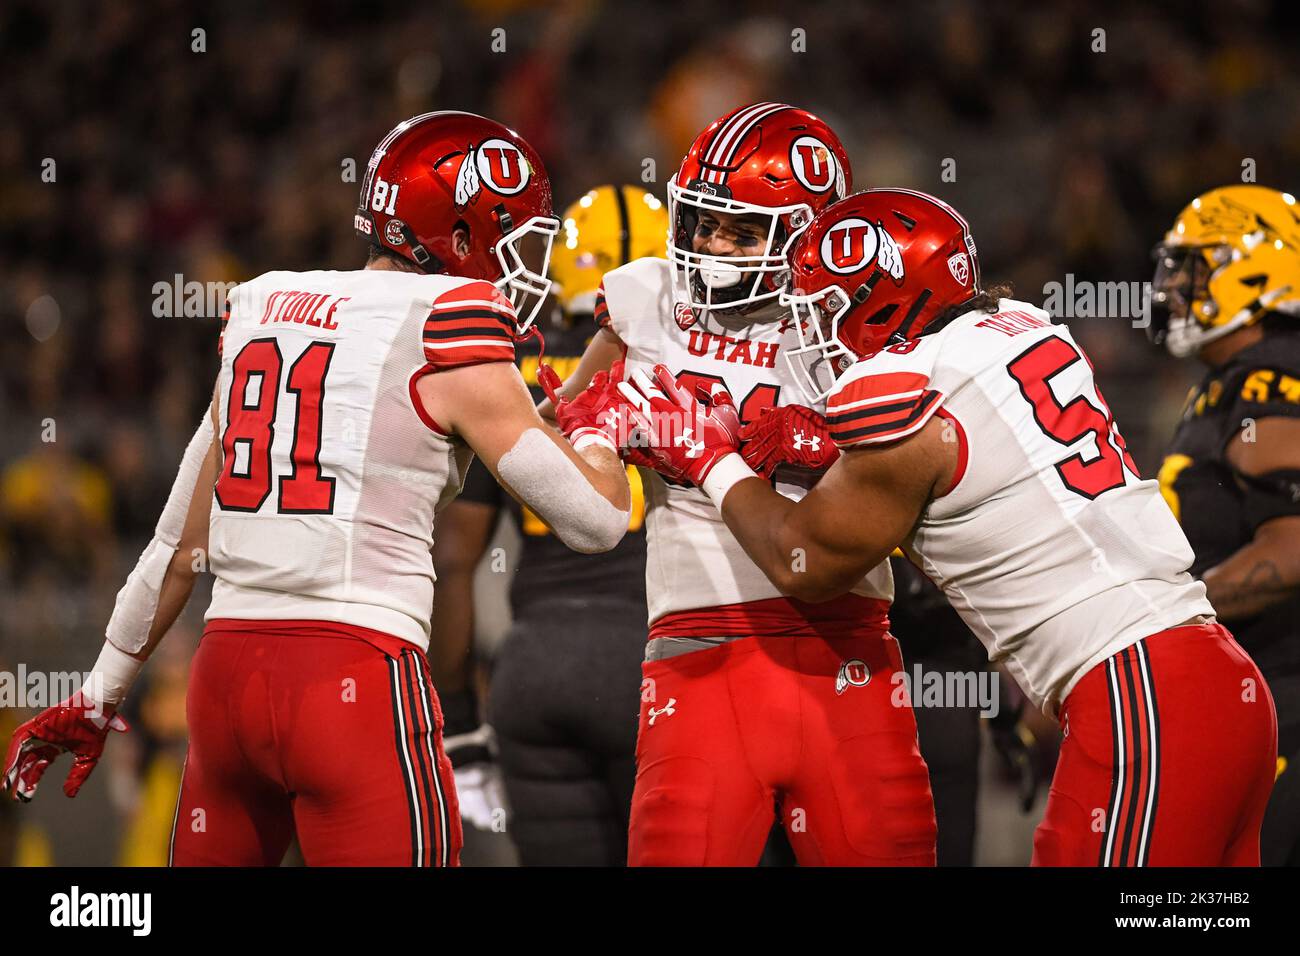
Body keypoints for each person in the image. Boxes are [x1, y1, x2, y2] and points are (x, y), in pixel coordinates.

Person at [2, 111, 632, 867]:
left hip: (226, 679)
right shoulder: (452, 321)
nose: (516, 264)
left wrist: (101, 691)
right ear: (458, 238)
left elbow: (179, 545)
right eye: (509, 236)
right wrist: (603, 421)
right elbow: (596, 519)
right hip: (355, 679)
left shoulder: (263, 305)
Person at [612, 186, 1277, 866]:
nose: (809, 333)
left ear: (884, 299)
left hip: (1141, 696)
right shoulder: (1019, 324)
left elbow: (800, 562)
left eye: (824, 309)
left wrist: (709, 457)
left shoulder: (908, 393)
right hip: (1215, 681)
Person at [545, 104, 935, 866]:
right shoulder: (644, 301)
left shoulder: (856, 315)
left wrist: (828, 441)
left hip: (847, 648)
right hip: (700, 651)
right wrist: (580, 426)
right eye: (703, 224)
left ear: (811, 233)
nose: (715, 247)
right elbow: (571, 444)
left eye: (744, 231)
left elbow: (931, 466)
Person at [430, 185, 665, 864]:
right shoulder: (689, 369)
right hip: (653, 660)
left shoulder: (512, 377)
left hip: (534, 665)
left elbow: (454, 561)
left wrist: (460, 721)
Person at [1148, 185, 1300, 865]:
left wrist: (1162, 621)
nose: (1175, 285)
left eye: (1196, 267)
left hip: (1283, 703)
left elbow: (1295, 547)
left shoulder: (1272, 374)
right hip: (1252, 696)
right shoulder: (1231, 378)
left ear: (1256, 269)